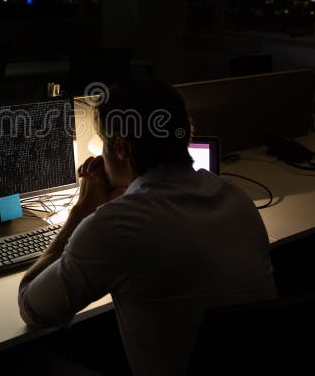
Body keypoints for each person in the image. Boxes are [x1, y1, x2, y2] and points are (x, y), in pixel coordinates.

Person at [18, 79, 277, 375]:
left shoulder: (113, 227)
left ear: (122, 150)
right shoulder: (236, 196)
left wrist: (82, 210)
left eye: (104, 143)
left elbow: (32, 308)